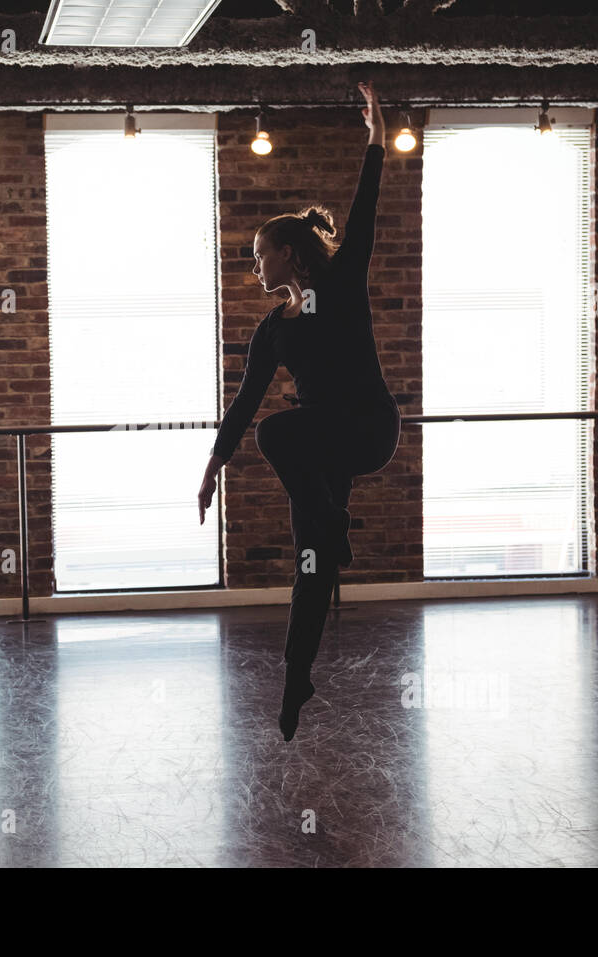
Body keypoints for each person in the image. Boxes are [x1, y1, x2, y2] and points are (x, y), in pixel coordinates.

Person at [197, 81, 402, 742]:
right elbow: (242, 400)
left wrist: (376, 138)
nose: (254, 267)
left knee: (277, 429)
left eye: (259, 255)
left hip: (367, 428)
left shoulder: (340, 284)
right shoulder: (272, 331)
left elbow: (365, 212)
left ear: (288, 251)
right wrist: (211, 467)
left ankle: (333, 519)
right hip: (321, 453)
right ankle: (296, 678)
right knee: (311, 562)